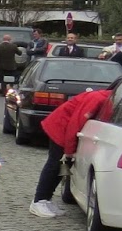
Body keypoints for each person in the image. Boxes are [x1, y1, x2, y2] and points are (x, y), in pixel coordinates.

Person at [29, 87, 113, 218]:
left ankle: (46, 199)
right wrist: (69, 151)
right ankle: (38, 200)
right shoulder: (98, 99)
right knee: (55, 164)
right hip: (59, 128)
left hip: (62, 128)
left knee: (63, 166)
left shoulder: (102, 98)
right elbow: (75, 124)